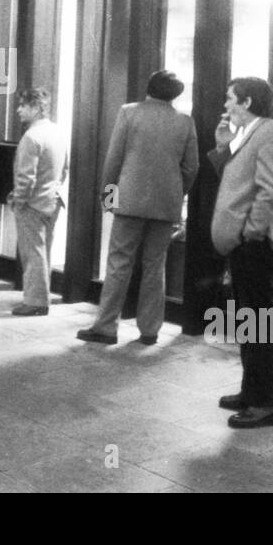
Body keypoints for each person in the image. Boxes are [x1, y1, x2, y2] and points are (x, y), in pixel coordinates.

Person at [77, 71, 197, 346]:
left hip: (129, 201)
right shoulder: (185, 121)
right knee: (155, 266)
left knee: (119, 262)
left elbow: (114, 158)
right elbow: (191, 167)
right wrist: (176, 193)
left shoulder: (129, 113)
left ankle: (106, 327)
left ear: (148, 88)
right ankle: (150, 330)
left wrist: (108, 197)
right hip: (165, 205)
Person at [210, 76, 273, 429]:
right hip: (241, 244)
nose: (226, 105)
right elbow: (231, 176)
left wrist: (252, 233)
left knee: (261, 325)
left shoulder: (272, 133)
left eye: (231, 99)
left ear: (246, 102)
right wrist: (225, 143)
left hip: (254, 245)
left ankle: (268, 404)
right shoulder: (247, 133)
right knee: (250, 322)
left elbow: (272, 190)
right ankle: (251, 392)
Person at [8, 88, 68, 316]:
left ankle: (35, 301)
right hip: (53, 200)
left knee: (33, 253)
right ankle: (40, 297)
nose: (19, 110)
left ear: (36, 108)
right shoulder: (57, 132)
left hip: (33, 203)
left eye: (23, 105)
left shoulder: (31, 137)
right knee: (44, 252)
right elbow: (64, 169)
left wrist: (19, 201)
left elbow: (25, 177)